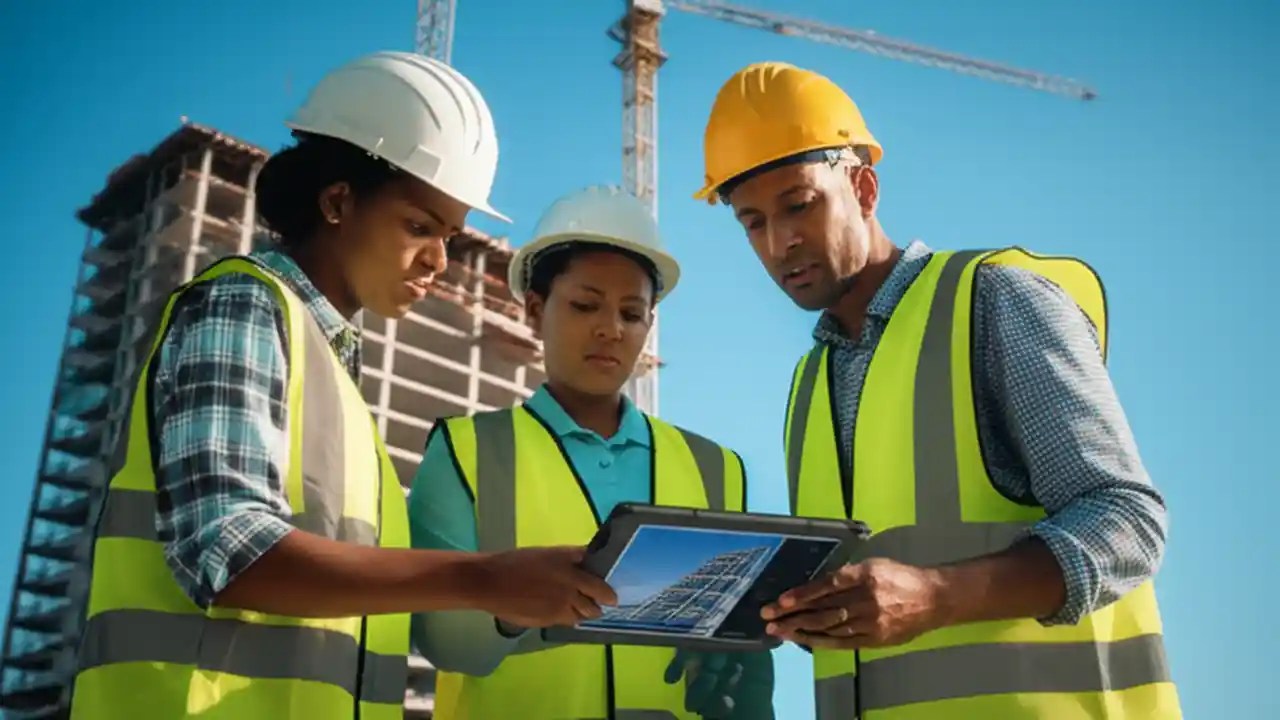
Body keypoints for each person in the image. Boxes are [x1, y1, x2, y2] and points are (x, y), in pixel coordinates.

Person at [68, 51, 615, 720]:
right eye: (419, 226)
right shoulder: (242, 306)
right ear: (337, 201)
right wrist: (482, 578)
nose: (438, 261)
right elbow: (228, 551)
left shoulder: (336, 380)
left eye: (449, 234)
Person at [692, 61, 1182, 719]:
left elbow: (1127, 521)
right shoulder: (809, 386)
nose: (782, 243)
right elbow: (883, 606)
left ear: (864, 188)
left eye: (800, 204)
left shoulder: (993, 302)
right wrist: (799, 612)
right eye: (753, 222)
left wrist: (936, 595)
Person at [408, 184, 775, 720]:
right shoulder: (464, 451)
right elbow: (444, 643)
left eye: (632, 314)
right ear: (535, 310)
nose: (610, 329)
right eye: (584, 305)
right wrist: (517, 607)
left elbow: (730, 642)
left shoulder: (715, 469)